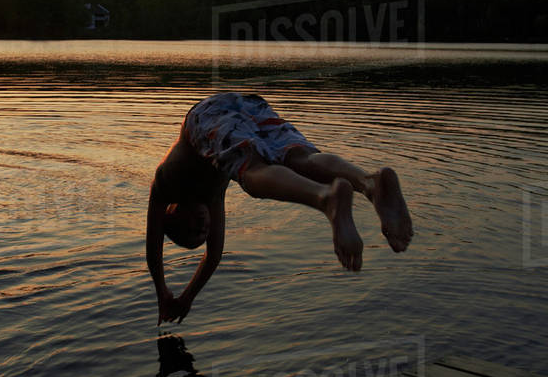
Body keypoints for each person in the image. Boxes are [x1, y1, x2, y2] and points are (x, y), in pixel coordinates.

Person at [146, 92, 412, 324]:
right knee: (298, 158)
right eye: (201, 235)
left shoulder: (163, 187)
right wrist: (187, 299)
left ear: (173, 214)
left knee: (251, 173)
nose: (202, 228)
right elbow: (213, 257)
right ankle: (369, 183)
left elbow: (153, 250)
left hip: (205, 116)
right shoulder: (213, 201)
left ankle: (325, 198)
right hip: (248, 104)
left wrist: (163, 293)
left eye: (191, 229)